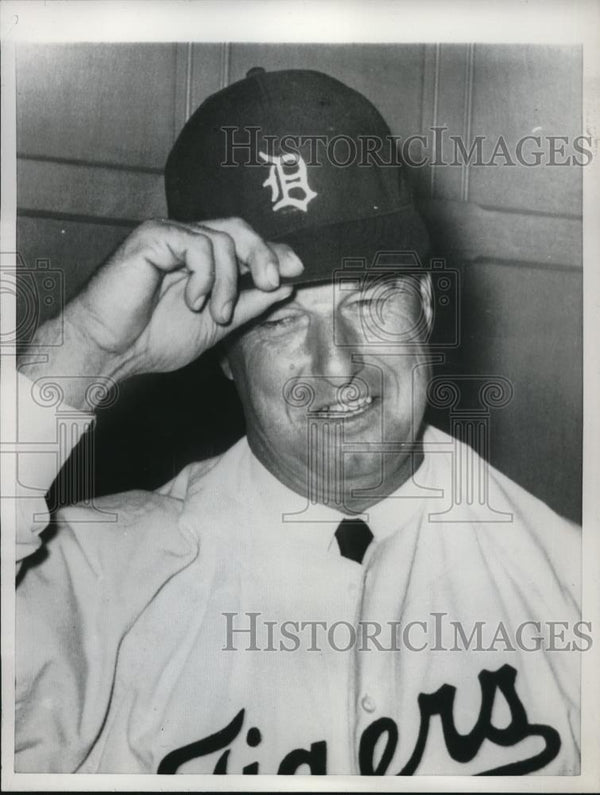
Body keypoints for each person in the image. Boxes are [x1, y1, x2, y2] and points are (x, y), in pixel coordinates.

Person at [15, 68, 581, 775]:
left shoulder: (570, 581)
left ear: (428, 304)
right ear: (223, 353)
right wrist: (85, 350)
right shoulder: (89, 578)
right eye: (281, 320)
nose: (337, 364)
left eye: (370, 301)